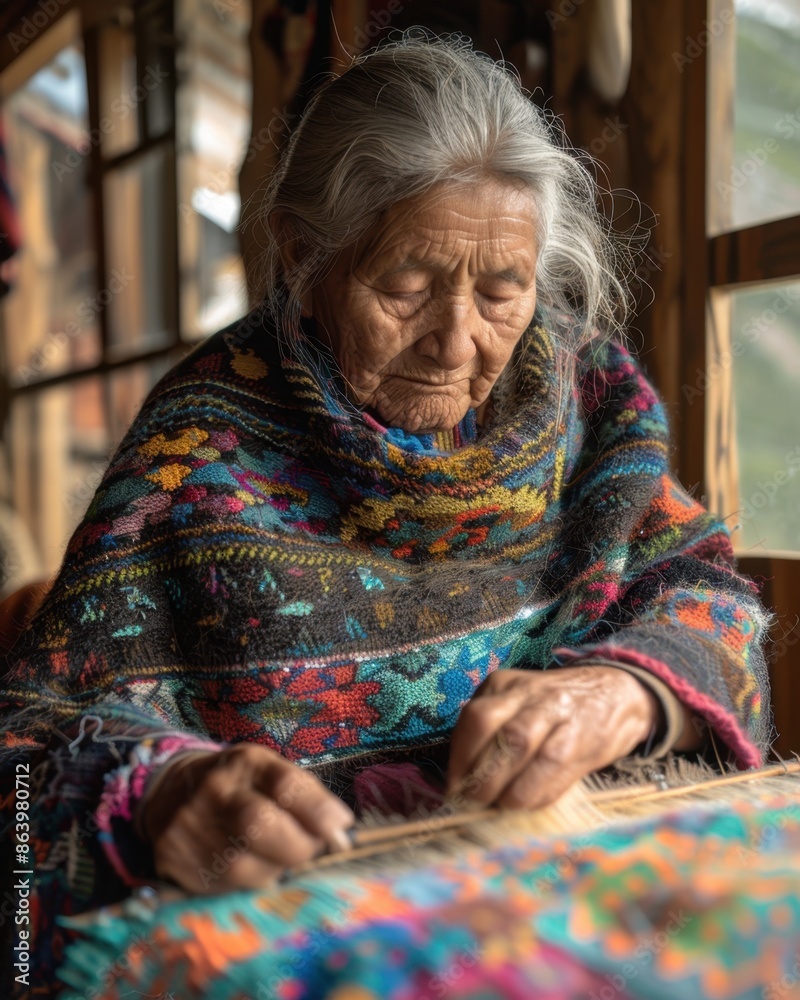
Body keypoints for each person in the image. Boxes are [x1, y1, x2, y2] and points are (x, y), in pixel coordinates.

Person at [0, 33, 771, 996]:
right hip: (323, 931)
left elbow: (708, 597)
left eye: (503, 291)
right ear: (302, 254)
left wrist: (626, 692)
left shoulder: (590, 395)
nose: (456, 342)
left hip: (560, 894)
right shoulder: (199, 452)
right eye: (406, 285)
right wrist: (154, 797)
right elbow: (26, 760)